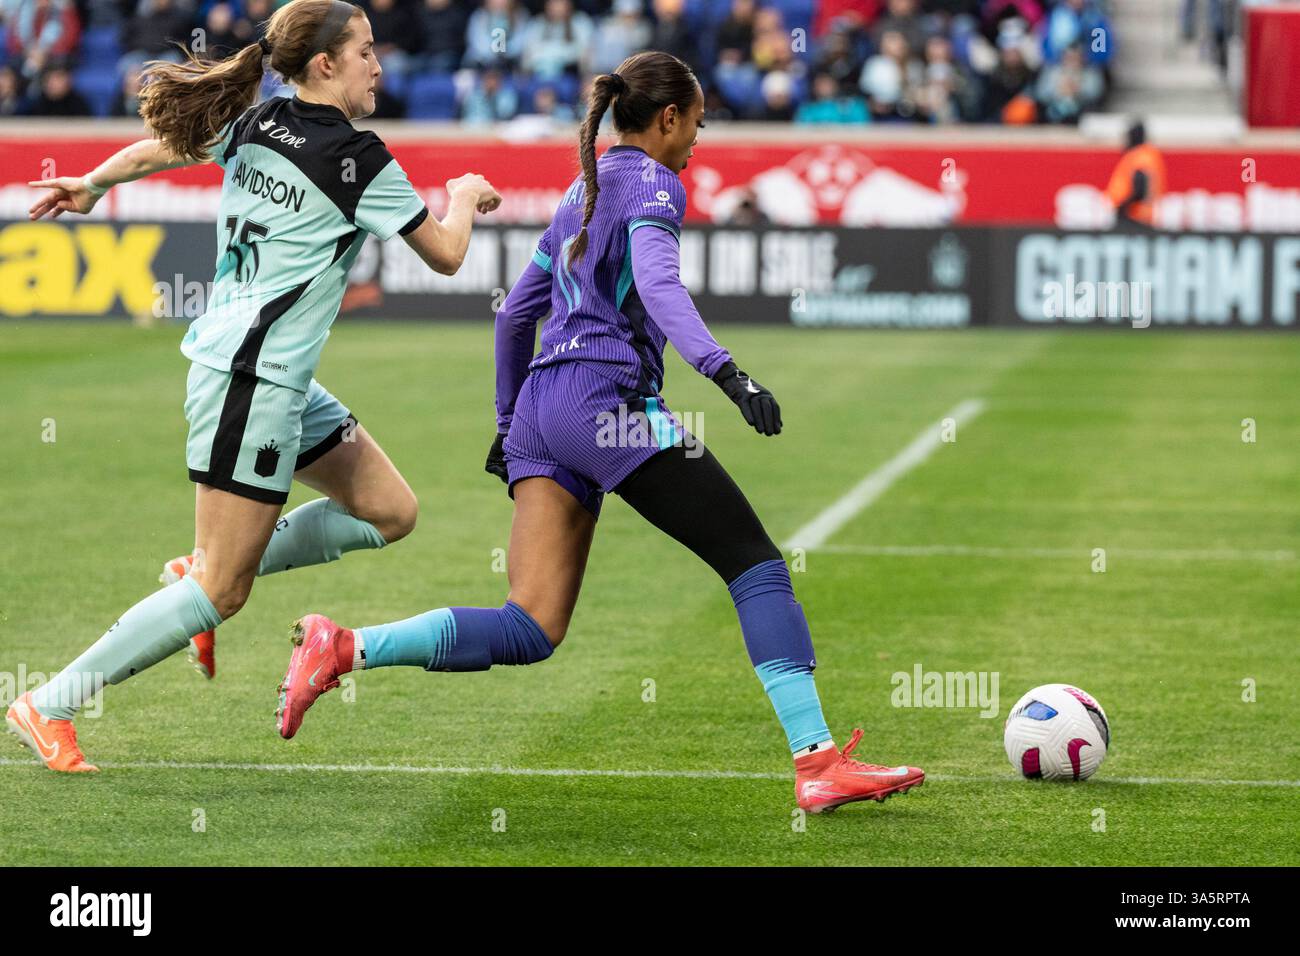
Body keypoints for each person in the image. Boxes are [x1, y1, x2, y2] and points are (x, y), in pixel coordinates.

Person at [274, 51, 924, 814]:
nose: (698, 142)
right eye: (698, 125)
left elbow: (517, 314)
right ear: (669, 119)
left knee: (531, 625)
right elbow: (658, 283)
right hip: (608, 407)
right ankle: (816, 763)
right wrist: (725, 371)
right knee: (755, 566)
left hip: (546, 409)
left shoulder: (584, 188)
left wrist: (509, 425)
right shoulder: (655, 182)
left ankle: (345, 647)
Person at [7, 0, 501, 772]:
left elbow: (157, 151)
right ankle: (49, 703)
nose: (380, 63)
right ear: (326, 65)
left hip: (271, 377)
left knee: (390, 511)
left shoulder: (261, 122)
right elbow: (444, 254)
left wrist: (93, 183)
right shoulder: (358, 156)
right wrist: (465, 196)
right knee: (222, 594)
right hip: (252, 380)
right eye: (366, 51)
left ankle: (195, 568)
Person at [1106, 120, 1165, 229]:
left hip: (1134, 216)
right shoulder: (1148, 154)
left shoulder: (1140, 155)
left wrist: (1123, 206)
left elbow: (1140, 186)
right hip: (1142, 216)